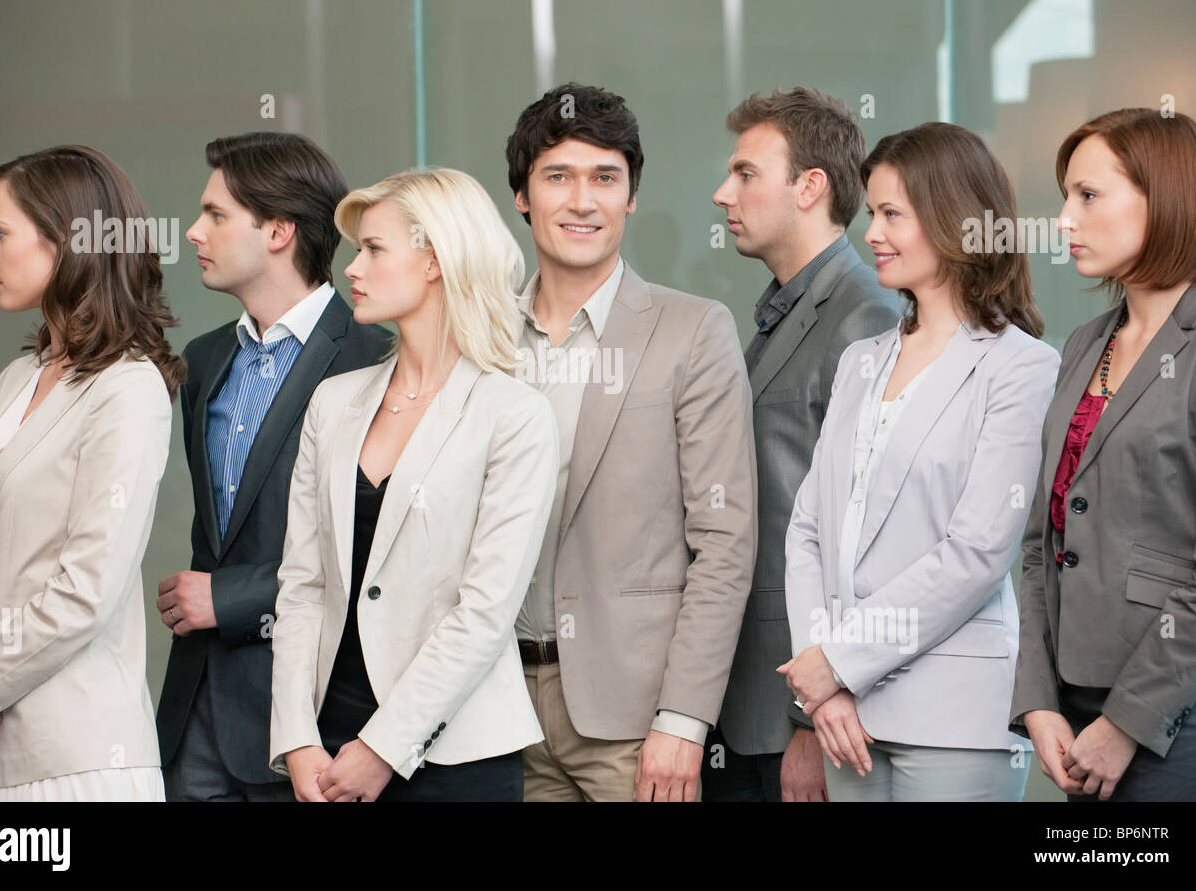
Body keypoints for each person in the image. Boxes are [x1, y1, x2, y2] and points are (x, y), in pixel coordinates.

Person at [781, 122, 1059, 801]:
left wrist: (839, 663)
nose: (871, 232)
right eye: (872, 213)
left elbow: (976, 551)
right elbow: (808, 530)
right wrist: (827, 687)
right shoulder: (860, 361)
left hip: (958, 721)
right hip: (847, 719)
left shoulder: (1021, 367)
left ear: (953, 220)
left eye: (891, 215)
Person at [268, 166, 558, 802]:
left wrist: (383, 746)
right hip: (326, 743)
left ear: (435, 260)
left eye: (373, 249)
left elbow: (484, 611)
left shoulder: (513, 414)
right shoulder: (332, 402)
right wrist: (294, 737)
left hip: (457, 756)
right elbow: (302, 584)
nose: (352, 269)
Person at [506, 83, 757, 802]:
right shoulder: (482, 337)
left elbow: (726, 540)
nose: (583, 201)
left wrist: (683, 719)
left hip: (633, 719)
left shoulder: (693, 330)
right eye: (558, 177)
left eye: (605, 179)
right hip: (497, 710)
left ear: (631, 197)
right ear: (523, 196)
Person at [0, 145, 184, 800]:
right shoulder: (16, 379)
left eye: (1, 233)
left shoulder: (129, 387)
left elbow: (84, 595)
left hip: (76, 761)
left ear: (67, 242)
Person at [155, 132, 391, 802]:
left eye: (217, 215)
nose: (195, 232)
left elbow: (376, 546)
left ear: (280, 230)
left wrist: (226, 597)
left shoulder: (373, 356)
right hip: (198, 706)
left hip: (321, 715)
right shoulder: (201, 361)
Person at [1011, 108, 1196, 801]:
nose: (1064, 220)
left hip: (1184, 713)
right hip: (1072, 703)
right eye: (1066, 195)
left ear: (1167, 200)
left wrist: (1127, 721)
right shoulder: (1083, 343)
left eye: (1088, 196)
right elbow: (1041, 542)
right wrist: (1037, 700)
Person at [708, 87, 900, 802]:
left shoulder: (865, 313)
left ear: (810, 187)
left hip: (794, 708)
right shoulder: (782, 312)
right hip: (748, 699)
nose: (723, 192)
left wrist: (812, 717)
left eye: (746, 173)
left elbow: (862, 542)